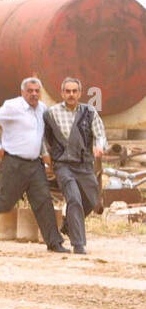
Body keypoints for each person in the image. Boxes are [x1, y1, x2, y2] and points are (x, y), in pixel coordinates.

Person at [0, 77, 67, 253]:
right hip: (14, 163)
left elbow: (41, 136)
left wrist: (46, 155)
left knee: (44, 201)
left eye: (37, 91)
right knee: (5, 203)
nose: (34, 94)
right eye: (30, 91)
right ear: (23, 92)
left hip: (35, 165)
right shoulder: (13, 107)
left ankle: (54, 243)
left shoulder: (42, 109)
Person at [44, 77, 106, 256]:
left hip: (85, 164)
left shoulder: (90, 112)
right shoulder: (51, 113)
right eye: (67, 91)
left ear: (79, 93)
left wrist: (99, 146)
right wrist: (46, 156)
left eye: (74, 91)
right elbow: (43, 137)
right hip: (63, 164)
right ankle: (78, 244)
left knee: (92, 200)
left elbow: (100, 133)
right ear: (62, 93)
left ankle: (69, 225)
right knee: (74, 198)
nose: (71, 95)